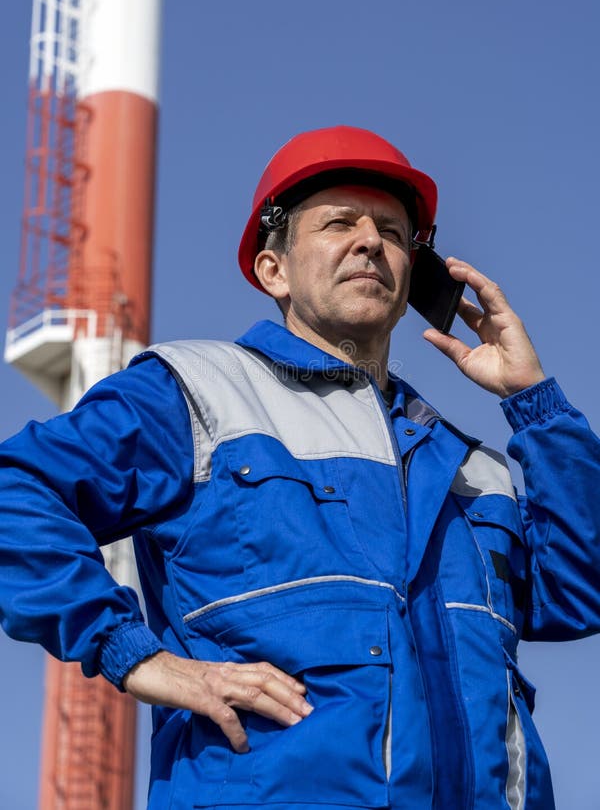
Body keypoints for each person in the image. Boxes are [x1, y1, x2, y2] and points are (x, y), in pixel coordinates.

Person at [1, 125, 599, 810]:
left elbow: (578, 593)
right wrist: (134, 654)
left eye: (393, 232)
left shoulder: (470, 470)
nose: (370, 241)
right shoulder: (196, 394)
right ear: (273, 270)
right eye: (339, 223)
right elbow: (15, 491)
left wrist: (535, 401)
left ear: (413, 278)